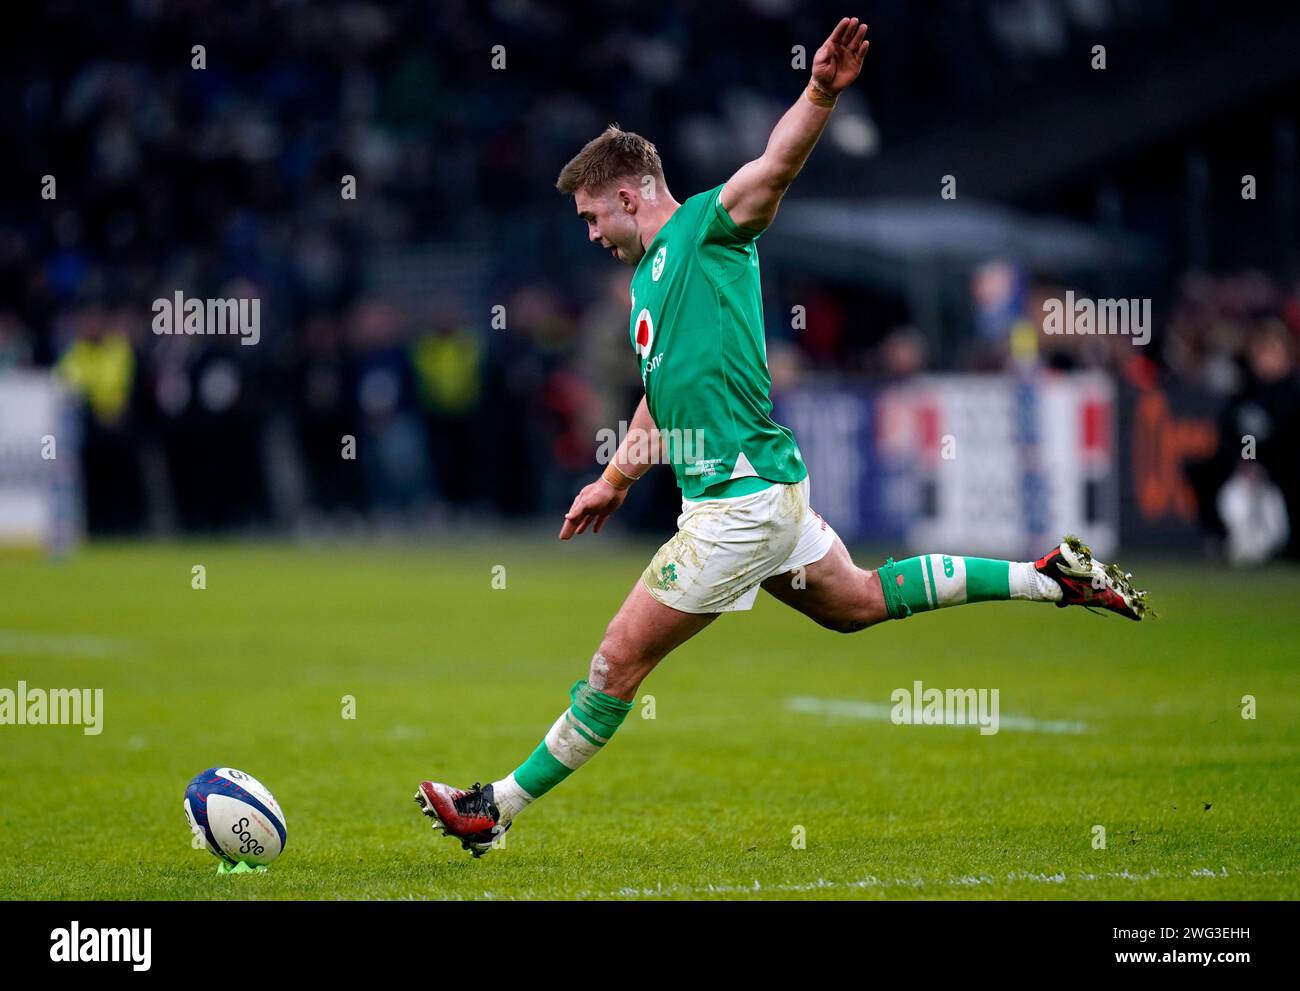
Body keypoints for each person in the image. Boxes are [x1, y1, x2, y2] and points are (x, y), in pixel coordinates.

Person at [415, 18, 1148, 856]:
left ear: (628, 195)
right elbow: (662, 400)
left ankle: (493, 810)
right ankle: (1050, 576)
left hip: (738, 505)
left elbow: (774, 167)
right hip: (761, 491)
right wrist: (615, 480)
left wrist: (820, 92)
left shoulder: (706, 227)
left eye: (591, 217)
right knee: (859, 603)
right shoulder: (649, 281)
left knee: (616, 662)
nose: (590, 235)